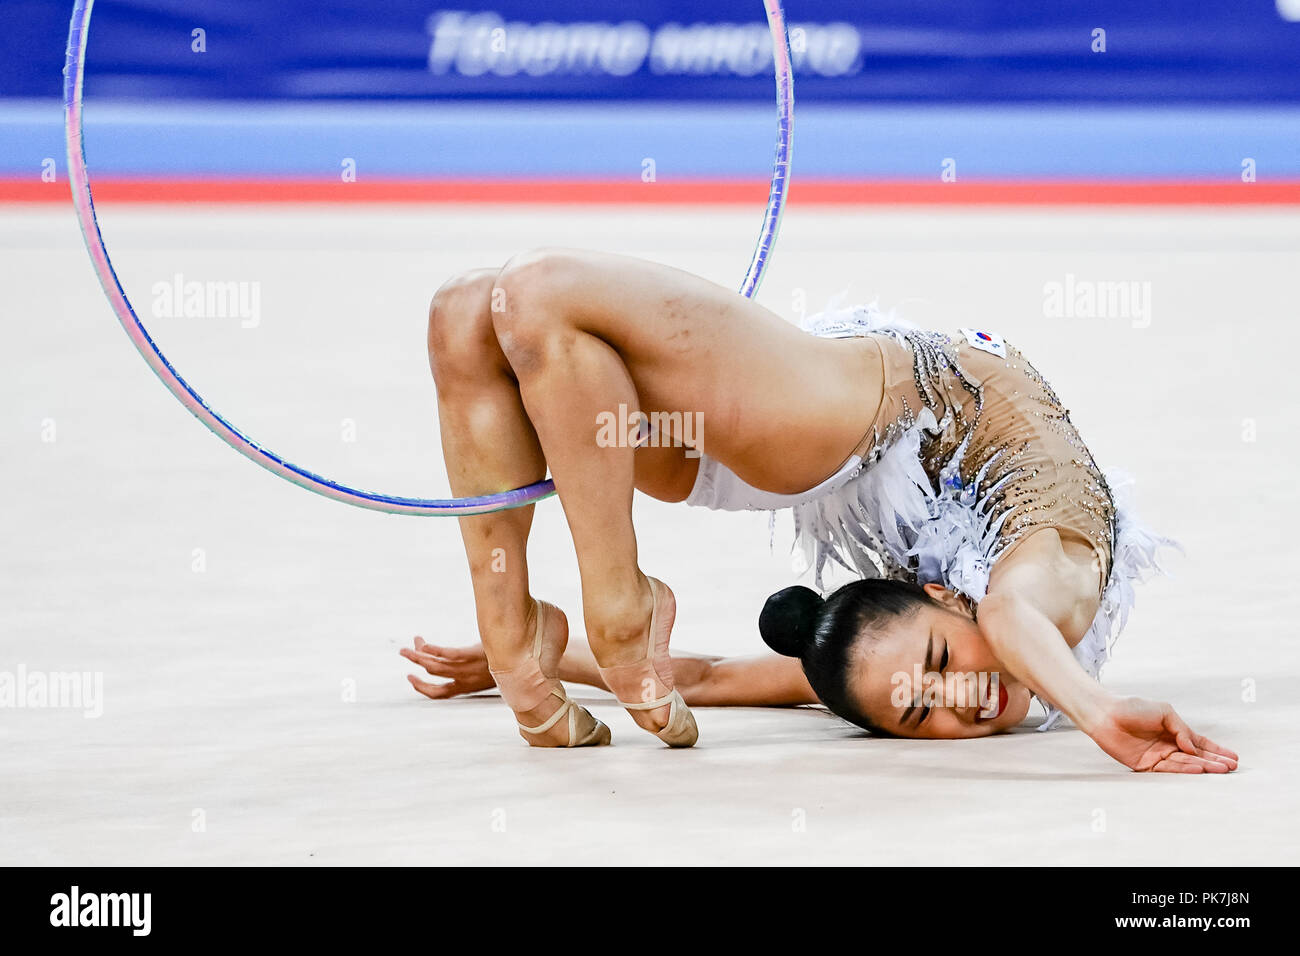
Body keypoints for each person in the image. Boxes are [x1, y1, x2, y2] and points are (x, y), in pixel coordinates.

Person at [405, 247, 1238, 773]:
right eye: (942, 663)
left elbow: (706, 677)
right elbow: (1017, 615)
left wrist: (557, 655)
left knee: (507, 306)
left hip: (791, 442)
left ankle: (518, 638)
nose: (966, 697)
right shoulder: (1059, 574)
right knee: (480, 308)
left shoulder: (882, 657)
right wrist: (1102, 717)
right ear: (949, 597)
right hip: (864, 409)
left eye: (916, 712)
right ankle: (609, 607)